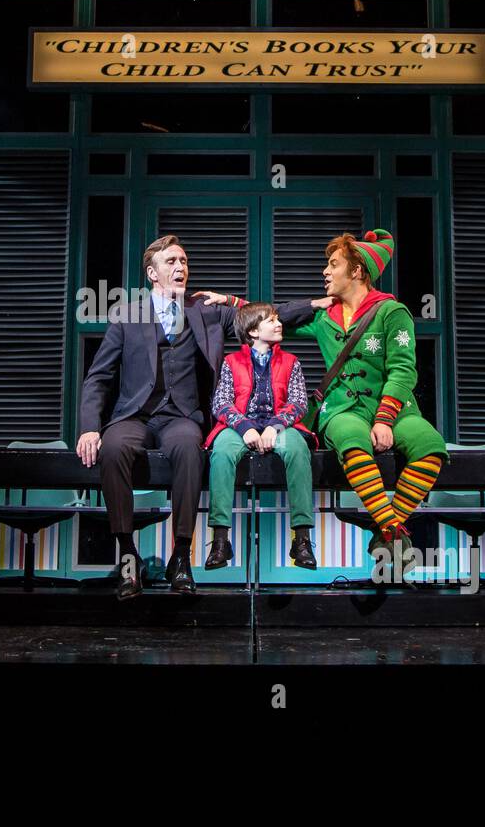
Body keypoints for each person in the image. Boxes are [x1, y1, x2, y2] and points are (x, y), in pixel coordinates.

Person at [76, 234, 313, 600]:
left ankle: (181, 556)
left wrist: (318, 304)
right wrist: (90, 428)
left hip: (181, 416)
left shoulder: (205, 310)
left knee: (189, 448)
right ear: (153, 274)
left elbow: (267, 316)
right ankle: (127, 554)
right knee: (113, 449)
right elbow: (99, 376)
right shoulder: (127, 315)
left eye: (184, 261)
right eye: (171, 262)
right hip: (134, 416)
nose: (181, 268)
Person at [282, 230, 447, 568]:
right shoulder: (323, 317)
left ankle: (386, 530)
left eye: (333, 265)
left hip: (395, 408)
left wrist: (385, 418)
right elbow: (265, 319)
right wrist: (311, 304)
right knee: (351, 438)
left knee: (431, 446)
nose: (325, 272)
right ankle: (393, 532)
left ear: (356, 271)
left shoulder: (392, 312)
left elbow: (403, 370)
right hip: (343, 408)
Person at [203, 302, 319, 571]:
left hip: (279, 427)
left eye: (278, 319)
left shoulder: (291, 362)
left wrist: (275, 426)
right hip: (239, 428)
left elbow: (299, 402)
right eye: (271, 320)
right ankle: (220, 539)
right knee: (221, 453)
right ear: (253, 331)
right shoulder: (231, 362)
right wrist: (245, 428)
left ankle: (302, 539)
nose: (279, 324)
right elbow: (221, 403)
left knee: (298, 450)